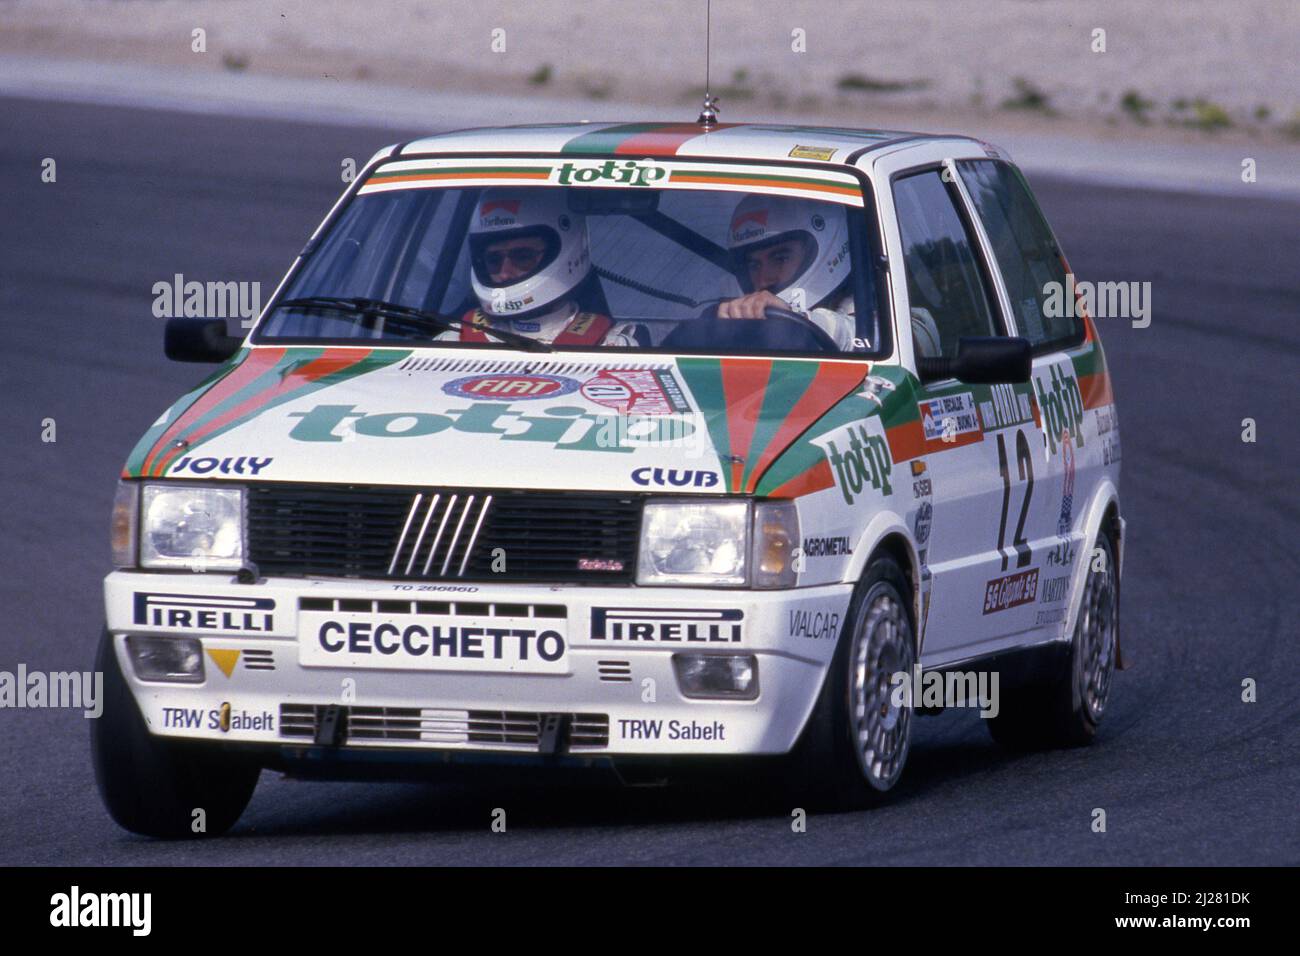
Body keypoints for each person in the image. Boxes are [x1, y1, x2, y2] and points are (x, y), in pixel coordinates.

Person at [718, 194, 942, 355]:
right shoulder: (740, 325)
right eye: (754, 265)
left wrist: (800, 322)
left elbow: (912, 342)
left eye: (780, 258)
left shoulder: (897, 318)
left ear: (830, 249)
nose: (764, 279)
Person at [445, 189, 647, 347]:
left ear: (566, 251)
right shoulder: (450, 342)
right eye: (493, 260)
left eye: (522, 257)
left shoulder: (613, 347)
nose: (505, 272)